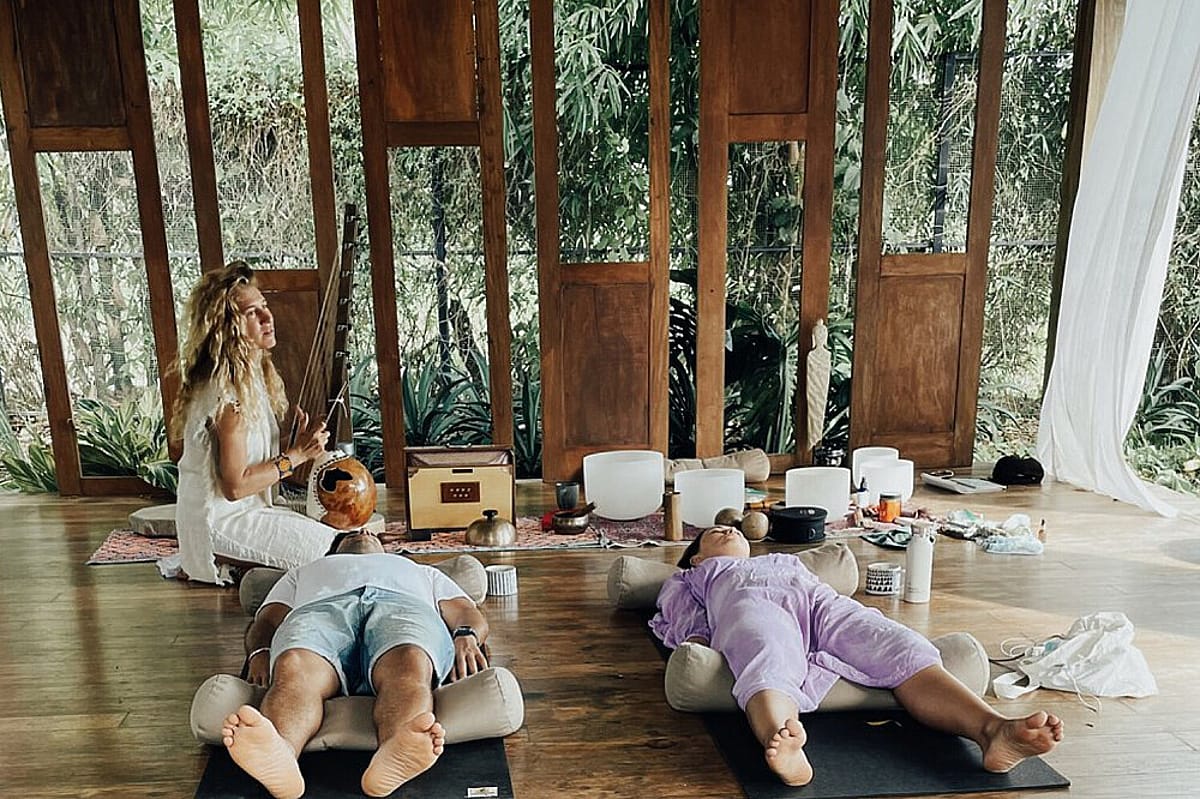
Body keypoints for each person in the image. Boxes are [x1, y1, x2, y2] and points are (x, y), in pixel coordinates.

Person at [651, 526, 1064, 787]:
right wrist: (701, 640)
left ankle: (993, 731)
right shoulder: (695, 576)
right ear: (699, 557)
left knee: (897, 643)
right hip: (751, 605)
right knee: (767, 651)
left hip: (816, 601)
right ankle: (786, 742)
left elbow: (838, 574)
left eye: (735, 529)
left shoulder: (785, 560)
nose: (729, 529)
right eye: (715, 531)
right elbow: (680, 614)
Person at [222, 530, 490, 799]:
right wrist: (259, 651)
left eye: (370, 532)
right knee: (294, 664)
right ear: (335, 550)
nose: (364, 531)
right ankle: (281, 755)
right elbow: (267, 620)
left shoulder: (420, 570)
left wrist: (466, 636)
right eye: (351, 534)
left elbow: (465, 611)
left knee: (410, 659)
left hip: (403, 607)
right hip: (321, 609)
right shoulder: (305, 571)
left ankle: (395, 752)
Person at [170, 261, 335, 584]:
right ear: (226, 326)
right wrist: (297, 456)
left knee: (353, 540)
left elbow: (245, 458)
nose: (267, 317)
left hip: (248, 514)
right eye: (251, 313)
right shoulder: (226, 395)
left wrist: (293, 446)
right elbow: (235, 486)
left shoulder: (250, 378)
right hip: (220, 525)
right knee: (343, 555)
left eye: (265, 307)